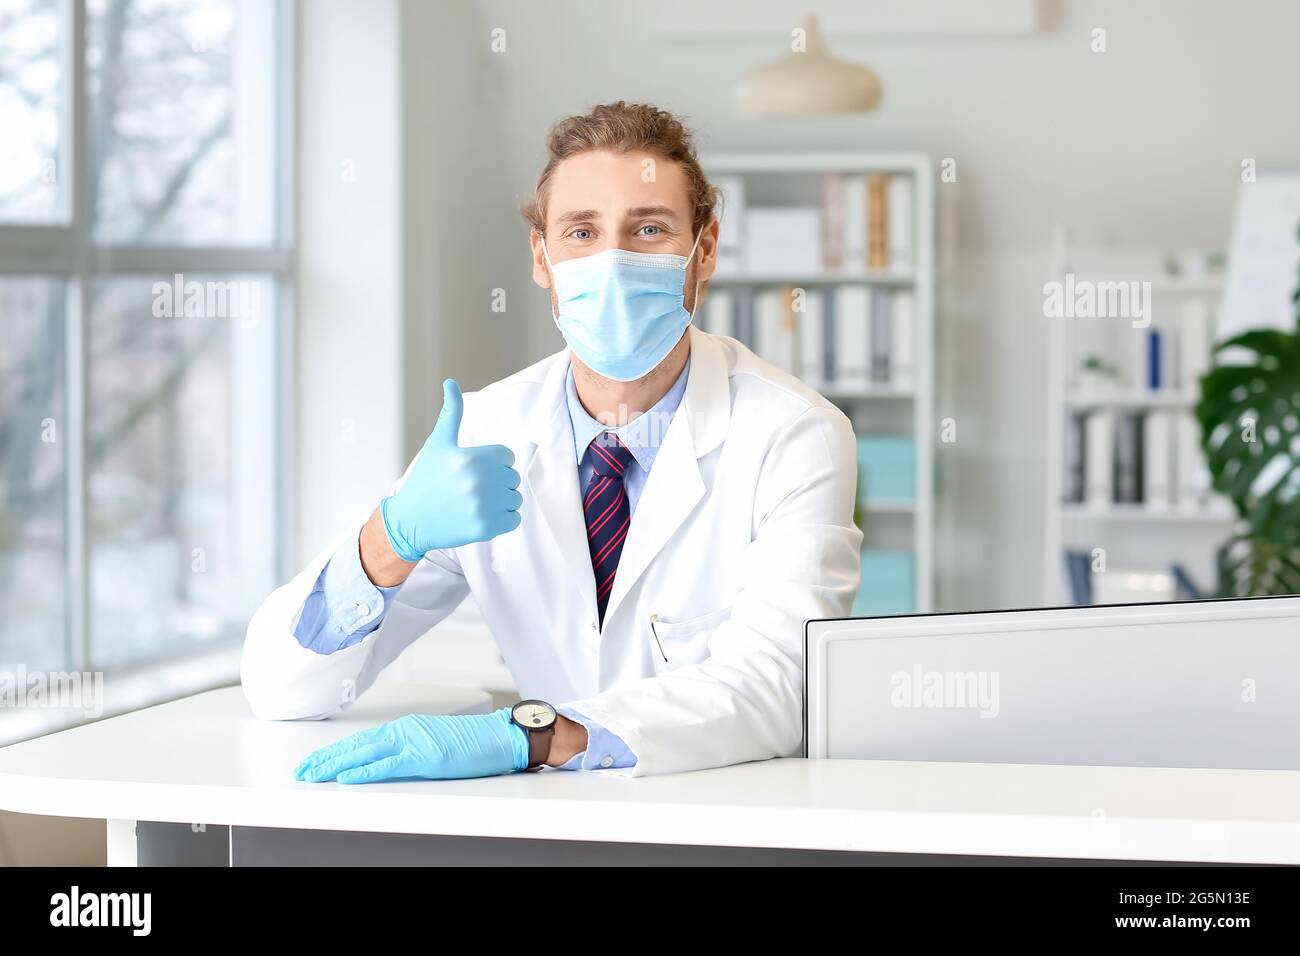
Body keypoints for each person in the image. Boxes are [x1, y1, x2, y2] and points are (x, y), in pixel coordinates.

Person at [241, 101, 863, 781]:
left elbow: (773, 689)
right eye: (582, 232)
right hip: (550, 826)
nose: (614, 263)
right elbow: (281, 688)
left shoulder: (794, 434)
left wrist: (534, 735)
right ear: (542, 258)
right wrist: (387, 540)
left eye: (649, 229)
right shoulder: (483, 433)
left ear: (703, 249)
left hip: (723, 825)